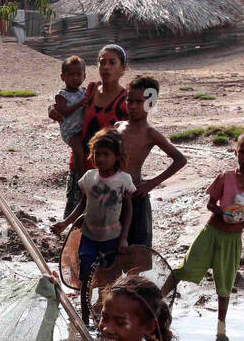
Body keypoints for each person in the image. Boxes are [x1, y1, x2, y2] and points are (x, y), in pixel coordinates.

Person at [162, 131, 244, 338]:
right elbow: (210, 203)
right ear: (235, 153)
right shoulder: (225, 177)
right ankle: (157, 300)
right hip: (211, 232)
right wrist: (223, 213)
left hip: (232, 239)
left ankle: (221, 327)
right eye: (242, 151)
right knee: (185, 268)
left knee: (225, 283)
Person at [58, 130, 134, 325]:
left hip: (112, 238)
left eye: (106, 154)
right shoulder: (89, 177)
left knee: (108, 280)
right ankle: (84, 319)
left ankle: (104, 318)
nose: (100, 158)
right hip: (89, 237)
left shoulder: (123, 180)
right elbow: (82, 205)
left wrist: (124, 238)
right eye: (96, 154)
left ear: (117, 157)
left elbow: (128, 211)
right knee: (86, 279)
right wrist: (65, 223)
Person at [51, 43, 129, 222]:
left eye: (112, 62)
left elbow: (132, 136)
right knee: (75, 224)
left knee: (103, 226)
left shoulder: (126, 100)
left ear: (123, 68)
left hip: (107, 174)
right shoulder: (91, 89)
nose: (106, 67)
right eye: (102, 62)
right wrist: (51, 109)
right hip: (80, 167)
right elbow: (64, 102)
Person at [116, 75, 188, 259]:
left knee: (137, 250)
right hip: (112, 194)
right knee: (111, 248)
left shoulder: (150, 134)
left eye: (139, 102)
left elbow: (180, 160)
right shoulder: (118, 126)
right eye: (129, 100)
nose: (132, 106)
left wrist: (152, 183)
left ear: (151, 104)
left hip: (135, 195)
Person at [48, 55, 88, 218]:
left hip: (81, 129)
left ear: (84, 75)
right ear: (63, 77)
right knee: (78, 151)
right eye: (71, 75)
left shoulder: (84, 91)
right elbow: (63, 111)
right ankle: (81, 176)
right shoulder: (62, 95)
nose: (75, 78)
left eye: (79, 74)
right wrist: (80, 104)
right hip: (70, 130)